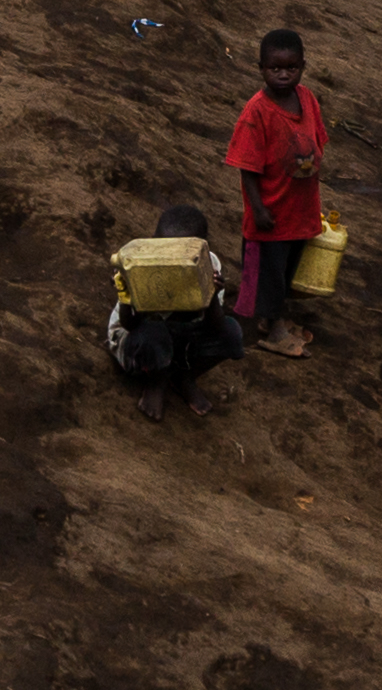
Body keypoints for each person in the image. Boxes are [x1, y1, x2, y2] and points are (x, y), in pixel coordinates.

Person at [227, 29, 329, 362]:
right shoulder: (256, 113)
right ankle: (270, 330)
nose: (284, 74)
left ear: (303, 66)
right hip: (270, 213)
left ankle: (275, 318)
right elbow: (247, 166)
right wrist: (257, 208)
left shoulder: (308, 99)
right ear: (261, 68)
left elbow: (317, 142)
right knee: (266, 274)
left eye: (292, 68)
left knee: (286, 270)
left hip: (299, 210)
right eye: (275, 69)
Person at [111, 204, 244, 421]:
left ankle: (184, 377)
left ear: (201, 248)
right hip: (137, 339)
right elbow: (129, 325)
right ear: (154, 241)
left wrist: (210, 295)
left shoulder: (209, 266)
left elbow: (216, 328)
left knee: (232, 332)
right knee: (154, 333)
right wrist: (125, 294)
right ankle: (157, 381)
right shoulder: (140, 262)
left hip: (180, 338)